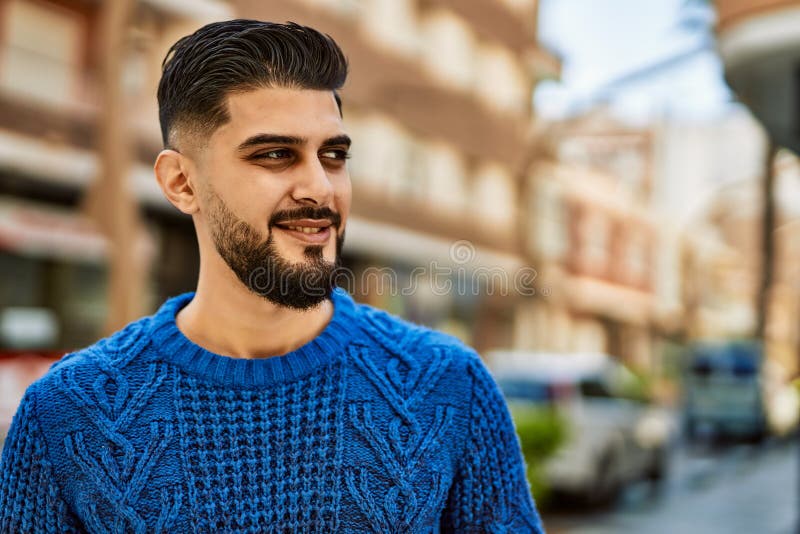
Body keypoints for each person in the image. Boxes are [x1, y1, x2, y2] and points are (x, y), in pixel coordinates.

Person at [0, 19, 544, 533]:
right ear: (182, 182)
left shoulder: (448, 386)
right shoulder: (66, 413)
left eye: (333, 155)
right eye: (276, 154)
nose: (320, 188)